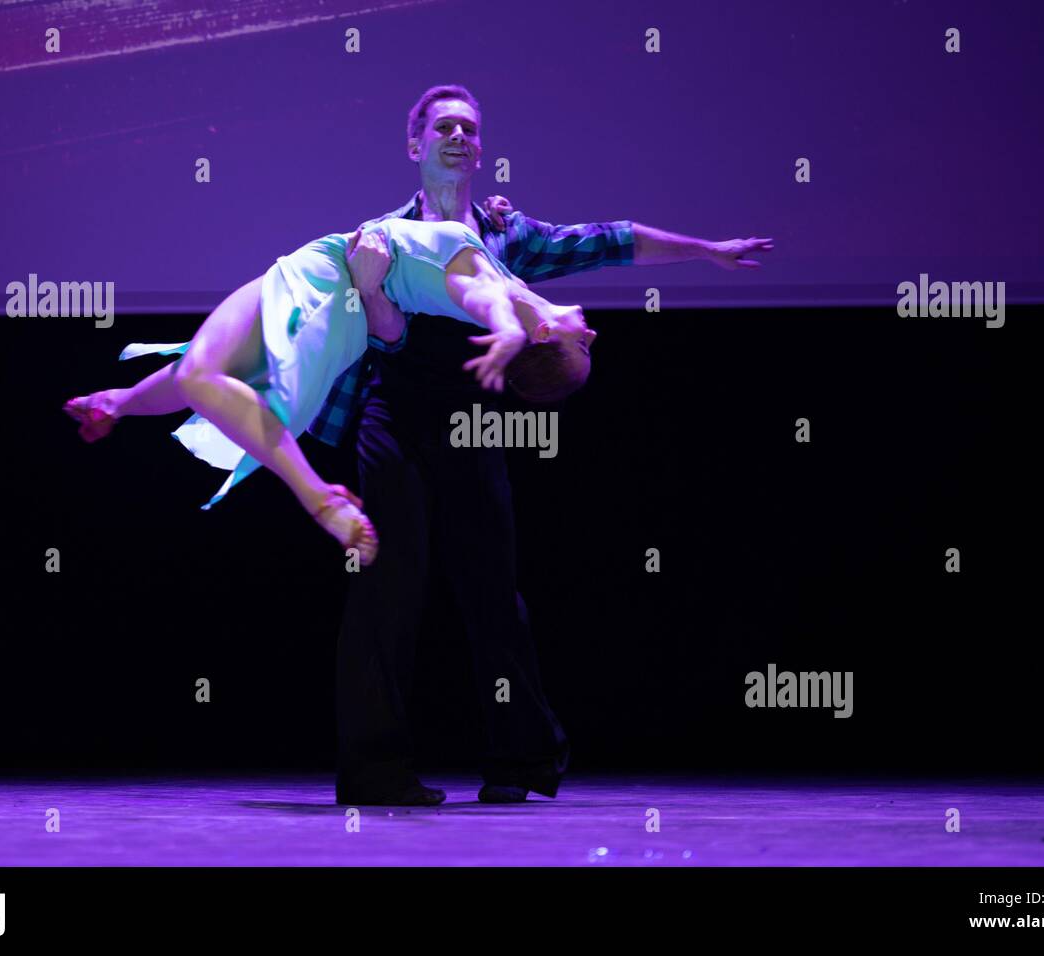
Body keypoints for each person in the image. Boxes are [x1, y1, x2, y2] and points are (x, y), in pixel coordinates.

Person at [329, 84, 774, 806]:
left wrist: (708, 252)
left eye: (468, 129)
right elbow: (384, 333)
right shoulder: (380, 234)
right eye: (441, 126)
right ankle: (375, 770)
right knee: (386, 584)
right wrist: (375, 291)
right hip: (398, 416)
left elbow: (610, 240)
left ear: (480, 149)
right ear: (415, 146)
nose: (457, 136)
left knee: (491, 589)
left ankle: (521, 762)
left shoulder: (506, 233)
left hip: (477, 421)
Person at [63, 215, 597, 565]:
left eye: (585, 347)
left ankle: (318, 497)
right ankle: (119, 402)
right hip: (332, 290)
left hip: (327, 281)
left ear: (544, 334)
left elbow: (484, 297)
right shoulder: (499, 266)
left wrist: (505, 329)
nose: (592, 332)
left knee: (203, 375)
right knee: (202, 371)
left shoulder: (490, 286)